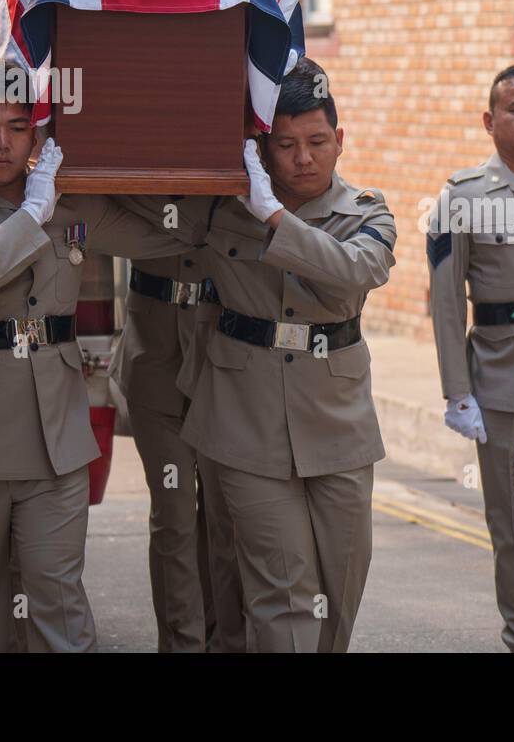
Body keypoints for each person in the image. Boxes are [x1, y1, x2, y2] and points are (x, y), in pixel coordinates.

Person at [0, 60, 197, 652]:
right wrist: (34, 213)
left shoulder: (68, 206)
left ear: (38, 133)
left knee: (60, 611)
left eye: (17, 125)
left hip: (55, 438)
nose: (2, 141)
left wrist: (105, 168)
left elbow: (176, 234)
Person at [180, 58, 396, 652]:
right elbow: (142, 219)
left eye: (318, 142)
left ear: (340, 140)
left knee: (341, 584)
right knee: (283, 592)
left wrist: (271, 215)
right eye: (287, 145)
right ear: (262, 148)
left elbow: (356, 273)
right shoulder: (224, 205)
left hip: (338, 422)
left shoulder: (368, 211)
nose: (304, 158)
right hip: (245, 419)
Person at [426, 63, 514, 652]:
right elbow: (447, 300)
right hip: (503, 382)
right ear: (490, 120)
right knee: (511, 529)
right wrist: (458, 390)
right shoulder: (464, 196)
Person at [110, 192, 245, 652]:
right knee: (174, 514)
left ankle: (223, 639)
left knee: (223, 519)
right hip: (155, 355)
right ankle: (182, 645)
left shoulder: (243, 160)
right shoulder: (142, 163)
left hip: (223, 358)